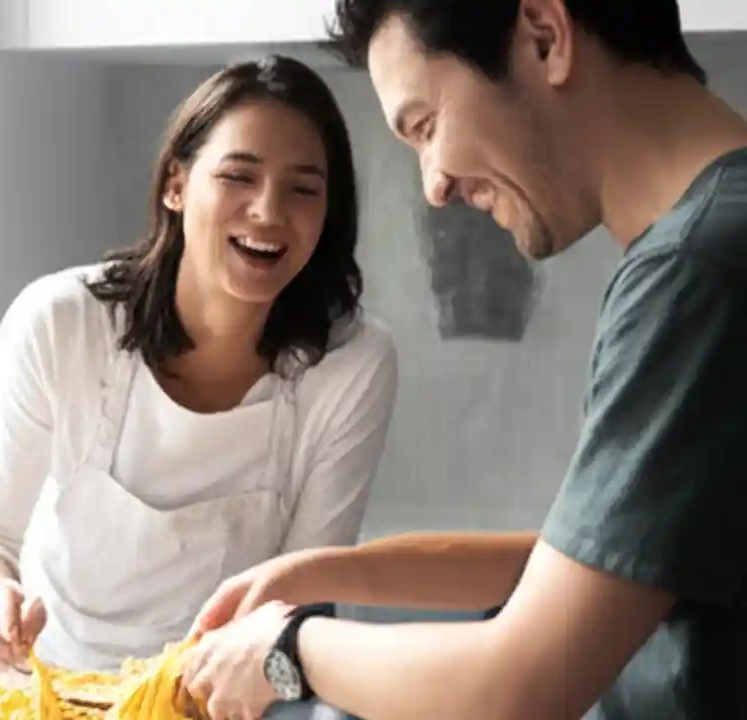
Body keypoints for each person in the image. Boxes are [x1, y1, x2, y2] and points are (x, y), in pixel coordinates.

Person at [181, 1, 747, 719]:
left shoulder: (697, 272)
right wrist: (327, 573)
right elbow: (592, 571)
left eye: (425, 126)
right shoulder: (716, 241)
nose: (435, 184)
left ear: (545, 37)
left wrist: (288, 651)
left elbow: (521, 685)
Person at [0, 55, 399, 676]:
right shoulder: (60, 322)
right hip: (50, 688)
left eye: (303, 188)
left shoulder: (352, 365)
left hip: (224, 698)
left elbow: (302, 586)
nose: (268, 211)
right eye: (239, 176)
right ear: (176, 185)